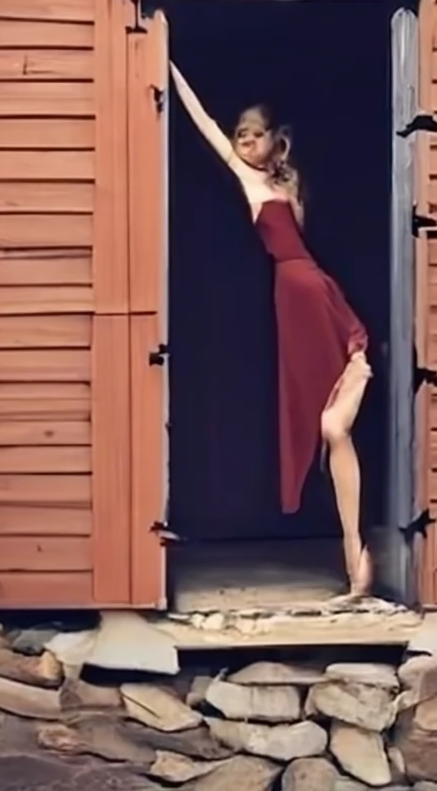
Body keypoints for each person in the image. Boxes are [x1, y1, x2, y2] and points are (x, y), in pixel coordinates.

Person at [169, 62, 374, 598]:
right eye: (241, 132)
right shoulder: (250, 180)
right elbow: (207, 127)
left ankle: (358, 560)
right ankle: (358, 562)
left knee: (332, 428)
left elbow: (303, 250)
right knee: (327, 428)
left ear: (274, 143)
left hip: (313, 295)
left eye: (255, 132)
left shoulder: (286, 182)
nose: (243, 138)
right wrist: (166, 65)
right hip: (295, 296)